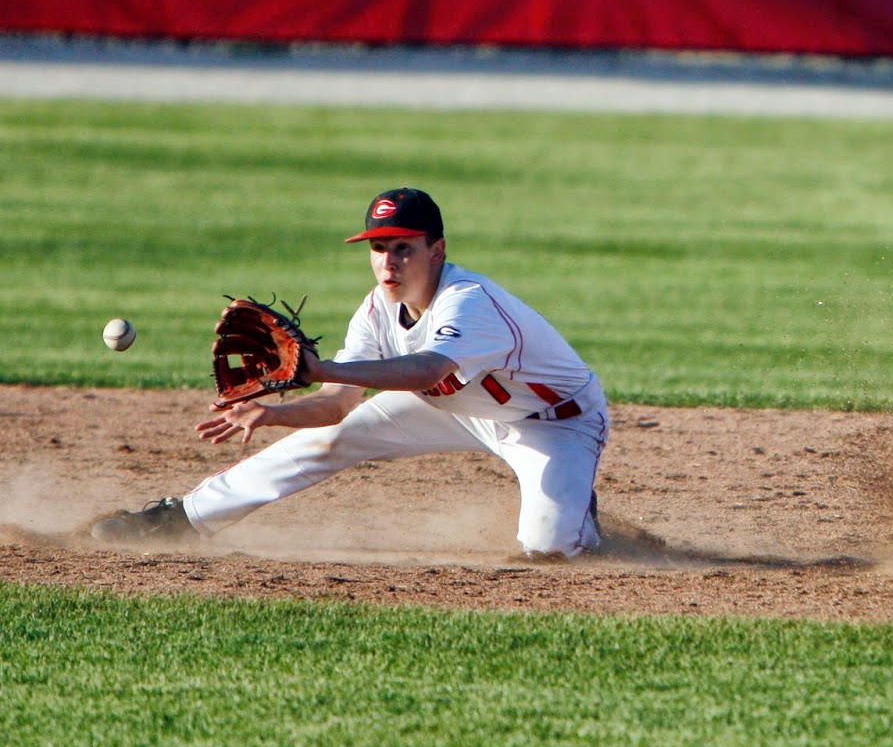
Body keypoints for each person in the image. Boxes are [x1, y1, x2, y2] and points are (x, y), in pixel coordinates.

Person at [93, 187, 607, 560]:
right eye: (379, 247)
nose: (389, 261)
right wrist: (274, 413)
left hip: (553, 423)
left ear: (437, 250)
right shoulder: (376, 310)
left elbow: (428, 367)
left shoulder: (467, 301)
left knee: (551, 551)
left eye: (404, 246)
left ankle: (581, 513)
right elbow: (338, 404)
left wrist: (324, 366)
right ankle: (184, 517)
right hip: (456, 410)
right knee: (331, 437)